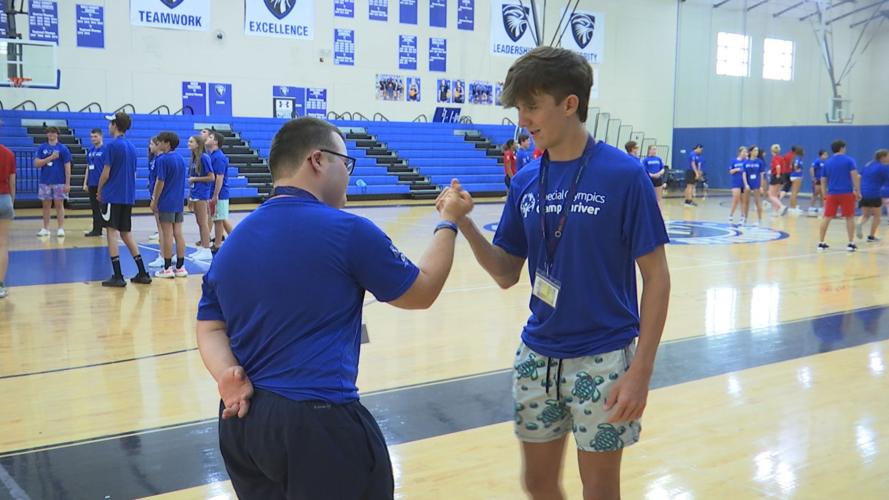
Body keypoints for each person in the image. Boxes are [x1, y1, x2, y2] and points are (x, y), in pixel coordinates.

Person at [196, 117, 472, 499]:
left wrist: (227, 374)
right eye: (346, 162)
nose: (348, 173)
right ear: (317, 160)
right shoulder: (348, 231)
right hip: (317, 424)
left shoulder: (233, 242)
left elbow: (210, 327)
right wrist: (448, 222)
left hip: (243, 423)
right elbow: (421, 291)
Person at [451, 46, 670, 500]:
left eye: (531, 106)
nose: (523, 120)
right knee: (537, 483)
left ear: (570, 104)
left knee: (600, 487)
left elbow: (658, 277)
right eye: (518, 109)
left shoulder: (625, 176)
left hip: (605, 358)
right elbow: (506, 272)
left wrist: (642, 369)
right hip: (537, 355)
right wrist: (464, 224)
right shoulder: (527, 180)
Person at [96, 112, 152, 287]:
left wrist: (99, 190)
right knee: (126, 233)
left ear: (114, 125)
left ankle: (118, 275)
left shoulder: (111, 146)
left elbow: (106, 173)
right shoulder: (132, 147)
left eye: (110, 123)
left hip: (113, 194)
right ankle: (142, 272)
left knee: (111, 232)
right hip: (127, 195)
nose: (108, 126)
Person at [150, 132, 189, 278]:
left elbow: (160, 181)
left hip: (166, 201)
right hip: (178, 201)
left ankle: (167, 268)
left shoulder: (162, 160)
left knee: (167, 234)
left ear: (167, 143)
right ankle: (180, 267)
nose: (158, 144)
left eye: (160, 142)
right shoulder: (180, 158)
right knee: (178, 233)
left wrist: (154, 199)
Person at [818, 140, 861, 252]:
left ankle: (821, 243)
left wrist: (824, 194)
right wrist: (858, 190)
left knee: (827, 217)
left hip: (832, 194)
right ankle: (851, 243)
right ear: (842, 148)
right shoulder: (849, 160)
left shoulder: (827, 162)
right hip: (846, 193)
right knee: (849, 217)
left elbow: (823, 180)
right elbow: (854, 176)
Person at [34, 126, 72, 237]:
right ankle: (46, 228)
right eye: (49, 132)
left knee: (59, 205)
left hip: (59, 181)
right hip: (45, 181)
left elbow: (67, 166)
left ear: (57, 134)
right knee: (46, 206)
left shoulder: (63, 148)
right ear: (47, 134)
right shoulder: (42, 148)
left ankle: (60, 228)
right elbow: (36, 164)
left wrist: (68, 183)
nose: (51, 134)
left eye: (54, 132)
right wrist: (50, 157)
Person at [187, 135, 215, 261]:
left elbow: (211, 177)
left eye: (191, 141)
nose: (188, 143)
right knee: (199, 222)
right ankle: (203, 247)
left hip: (202, 194)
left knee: (203, 222)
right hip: (195, 193)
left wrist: (195, 179)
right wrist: (190, 196)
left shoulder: (204, 157)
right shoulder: (193, 158)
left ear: (198, 144)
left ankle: (206, 248)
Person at [205, 130, 233, 252]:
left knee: (218, 219)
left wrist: (215, 195)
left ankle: (217, 245)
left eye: (210, 137)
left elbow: (219, 178)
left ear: (216, 142)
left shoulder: (219, 157)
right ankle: (221, 241)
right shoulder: (212, 155)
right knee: (218, 218)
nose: (207, 138)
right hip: (213, 192)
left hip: (220, 193)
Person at [855, 149, 889, 242]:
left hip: (864, 193)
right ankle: (871, 236)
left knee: (865, 215)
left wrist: (857, 190)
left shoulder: (868, 164)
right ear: (882, 157)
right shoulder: (883, 168)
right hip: (875, 193)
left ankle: (859, 223)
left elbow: (858, 176)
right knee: (877, 216)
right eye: (888, 156)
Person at [83, 128, 106, 237]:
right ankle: (97, 229)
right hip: (92, 183)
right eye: (91, 137)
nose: (93, 139)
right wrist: (85, 182)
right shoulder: (90, 150)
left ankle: (108, 227)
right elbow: (88, 167)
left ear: (101, 136)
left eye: (95, 136)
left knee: (104, 207)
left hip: (102, 184)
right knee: (95, 208)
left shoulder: (105, 150)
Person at [0, 141, 15, 298]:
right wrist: (12, 201)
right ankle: (0, 285)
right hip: (4, 199)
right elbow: (12, 182)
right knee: (2, 244)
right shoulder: (8, 153)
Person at [742, 145, 766, 226]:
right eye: (755, 150)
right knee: (746, 202)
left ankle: (760, 220)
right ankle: (744, 219)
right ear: (751, 152)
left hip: (756, 183)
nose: (756, 152)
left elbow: (762, 175)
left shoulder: (760, 162)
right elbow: (744, 174)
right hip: (748, 184)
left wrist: (761, 186)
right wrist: (746, 184)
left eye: (757, 150)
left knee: (757, 201)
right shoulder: (746, 162)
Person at [641, 145, 666, 211]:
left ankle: (658, 210)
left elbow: (662, 169)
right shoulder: (645, 160)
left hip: (658, 179)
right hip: (649, 179)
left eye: (655, 149)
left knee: (658, 197)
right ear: (649, 150)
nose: (654, 151)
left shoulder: (658, 159)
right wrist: (651, 175)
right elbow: (644, 169)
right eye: (653, 149)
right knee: (649, 195)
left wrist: (659, 173)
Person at [728, 147, 748, 225]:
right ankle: (731, 215)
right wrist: (737, 169)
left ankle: (742, 216)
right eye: (743, 152)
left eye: (746, 152)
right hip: (736, 182)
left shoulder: (746, 161)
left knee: (743, 200)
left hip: (743, 183)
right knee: (735, 199)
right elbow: (730, 171)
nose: (745, 153)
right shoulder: (734, 161)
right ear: (740, 152)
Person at [767, 144, 788, 215]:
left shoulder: (775, 158)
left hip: (776, 176)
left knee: (771, 195)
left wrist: (777, 174)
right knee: (775, 195)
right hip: (782, 176)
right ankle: (775, 211)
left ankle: (781, 206)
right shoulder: (781, 158)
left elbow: (778, 166)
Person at [788, 146, 804, 214]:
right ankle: (793, 208)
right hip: (796, 176)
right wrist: (797, 170)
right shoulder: (798, 158)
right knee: (794, 192)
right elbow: (795, 165)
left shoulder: (795, 157)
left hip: (794, 175)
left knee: (794, 192)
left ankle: (793, 207)